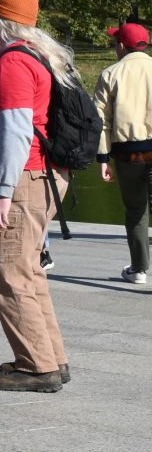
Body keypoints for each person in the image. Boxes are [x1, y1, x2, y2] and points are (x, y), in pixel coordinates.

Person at [0, 0, 78, 392]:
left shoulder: (15, 62)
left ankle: (37, 367)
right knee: (29, 271)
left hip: (24, 177)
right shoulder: (43, 55)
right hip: (44, 174)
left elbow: (17, 128)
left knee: (9, 270)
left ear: (0, 17)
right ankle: (50, 356)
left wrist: (3, 191)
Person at [96, 22, 152, 285]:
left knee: (136, 209)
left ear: (121, 45)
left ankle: (140, 268)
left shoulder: (111, 73)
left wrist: (103, 158)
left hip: (129, 152)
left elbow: (101, 122)